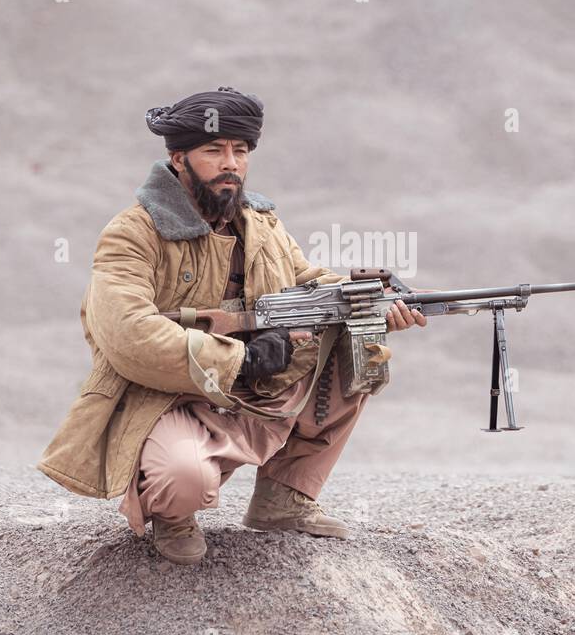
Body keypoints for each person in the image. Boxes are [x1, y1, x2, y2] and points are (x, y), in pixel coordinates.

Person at [38, 86, 425, 564]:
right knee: (184, 481)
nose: (230, 163)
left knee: (356, 350)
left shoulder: (261, 223)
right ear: (178, 158)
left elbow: (303, 280)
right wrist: (240, 358)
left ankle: (284, 497)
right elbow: (129, 335)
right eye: (214, 151)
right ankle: (173, 515)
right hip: (167, 396)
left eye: (240, 151)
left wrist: (370, 302)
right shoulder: (131, 232)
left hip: (251, 389)